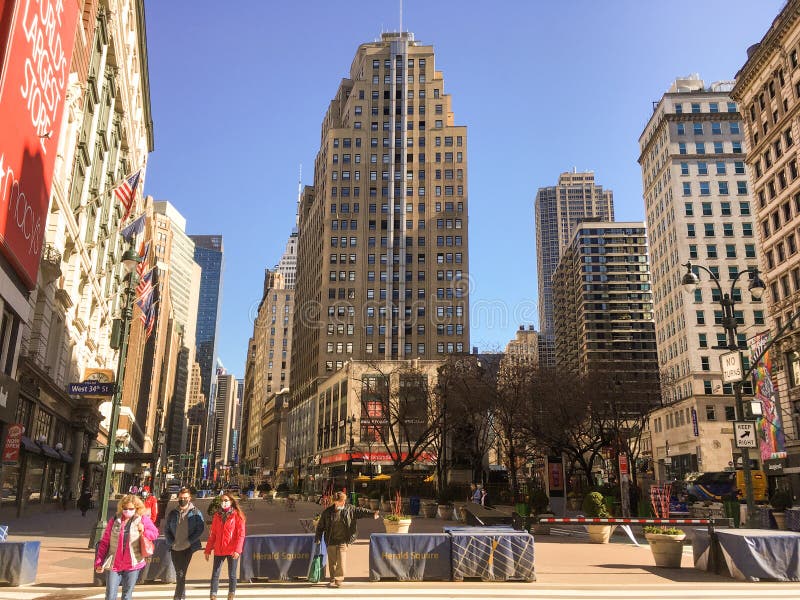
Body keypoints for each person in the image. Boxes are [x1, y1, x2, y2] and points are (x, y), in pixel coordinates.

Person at [94, 494, 159, 600]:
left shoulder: (142, 519)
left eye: (131, 508)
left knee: (127, 595)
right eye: (125, 508)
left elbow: (155, 533)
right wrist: (99, 562)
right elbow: (105, 542)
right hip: (114, 563)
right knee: (110, 595)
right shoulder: (114, 520)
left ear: (136, 508)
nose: (127, 510)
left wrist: (144, 530)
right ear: (121, 507)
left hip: (133, 564)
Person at [314, 491, 379, 587]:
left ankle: (338, 579)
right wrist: (318, 537)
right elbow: (320, 526)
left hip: (343, 540)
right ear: (335, 502)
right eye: (340, 501)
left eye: (344, 501)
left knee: (341, 560)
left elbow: (360, 511)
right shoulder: (327, 512)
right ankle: (332, 578)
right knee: (332, 562)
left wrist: (372, 514)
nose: (343, 503)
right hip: (330, 539)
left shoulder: (350, 509)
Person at [165, 488, 205, 600]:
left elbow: (200, 529)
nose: (183, 500)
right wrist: (171, 542)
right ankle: (181, 596)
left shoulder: (196, 512)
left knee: (181, 573)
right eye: (181, 498)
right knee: (180, 573)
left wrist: (189, 541)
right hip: (175, 547)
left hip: (188, 547)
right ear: (178, 498)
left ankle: (178, 597)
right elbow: (166, 529)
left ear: (190, 498)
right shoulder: (173, 513)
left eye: (186, 498)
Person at [205, 493, 246, 600]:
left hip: (232, 549)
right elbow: (213, 534)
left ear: (231, 501)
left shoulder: (237, 515)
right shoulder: (217, 515)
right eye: (222, 500)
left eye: (226, 500)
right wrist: (208, 549)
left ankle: (231, 593)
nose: (224, 502)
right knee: (215, 573)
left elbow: (241, 535)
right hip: (219, 549)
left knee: (232, 574)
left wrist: (237, 550)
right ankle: (213, 594)